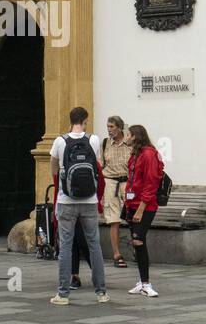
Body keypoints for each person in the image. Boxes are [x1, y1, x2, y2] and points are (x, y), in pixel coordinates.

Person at [50, 106, 108, 305]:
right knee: (94, 245)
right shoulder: (94, 139)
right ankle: (101, 292)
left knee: (66, 246)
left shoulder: (59, 141)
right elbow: (97, 165)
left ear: (70, 119)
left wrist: (61, 184)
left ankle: (63, 294)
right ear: (85, 120)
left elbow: (54, 167)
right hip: (89, 201)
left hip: (66, 200)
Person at [122, 124, 163, 298]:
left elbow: (151, 183)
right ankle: (142, 281)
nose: (126, 137)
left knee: (138, 241)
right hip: (132, 203)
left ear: (136, 137)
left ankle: (146, 283)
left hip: (144, 206)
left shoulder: (148, 155)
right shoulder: (135, 154)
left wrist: (140, 209)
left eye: (128, 134)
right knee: (137, 242)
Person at [101, 115, 130, 267]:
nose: (109, 130)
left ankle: (138, 249)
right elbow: (101, 165)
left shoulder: (129, 143)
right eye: (108, 126)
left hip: (127, 182)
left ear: (120, 128)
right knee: (114, 219)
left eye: (112, 127)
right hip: (110, 182)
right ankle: (117, 254)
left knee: (132, 217)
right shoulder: (105, 143)